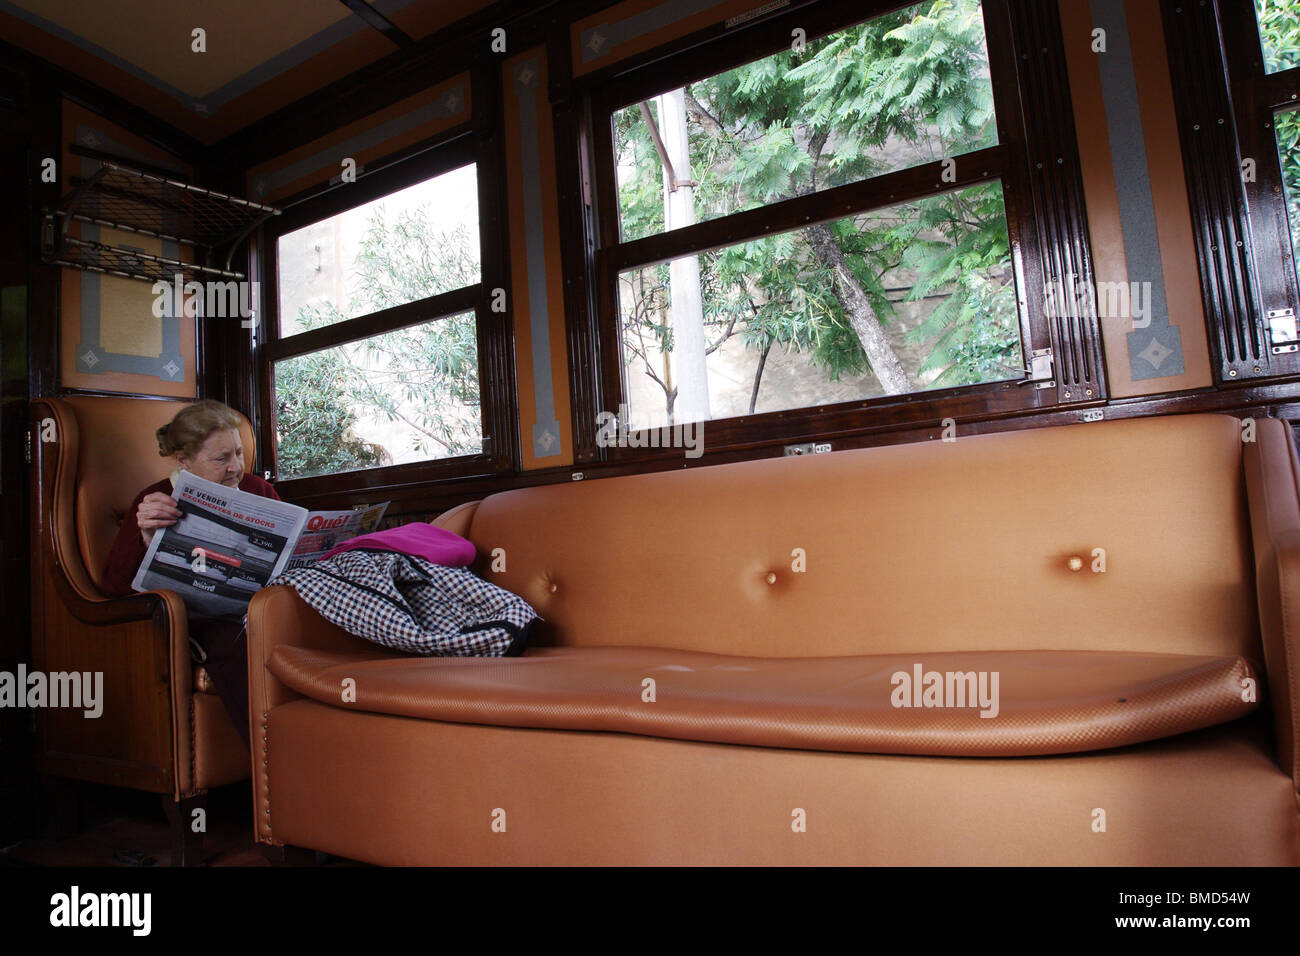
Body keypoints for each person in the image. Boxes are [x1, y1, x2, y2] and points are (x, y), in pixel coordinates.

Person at [102, 399, 279, 746]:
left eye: (239, 454)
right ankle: (276, 764)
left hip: (261, 607)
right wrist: (147, 537)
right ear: (183, 460)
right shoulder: (155, 499)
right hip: (201, 620)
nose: (236, 468)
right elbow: (115, 586)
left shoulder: (260, 490)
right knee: (242, 646)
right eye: (221, 459)